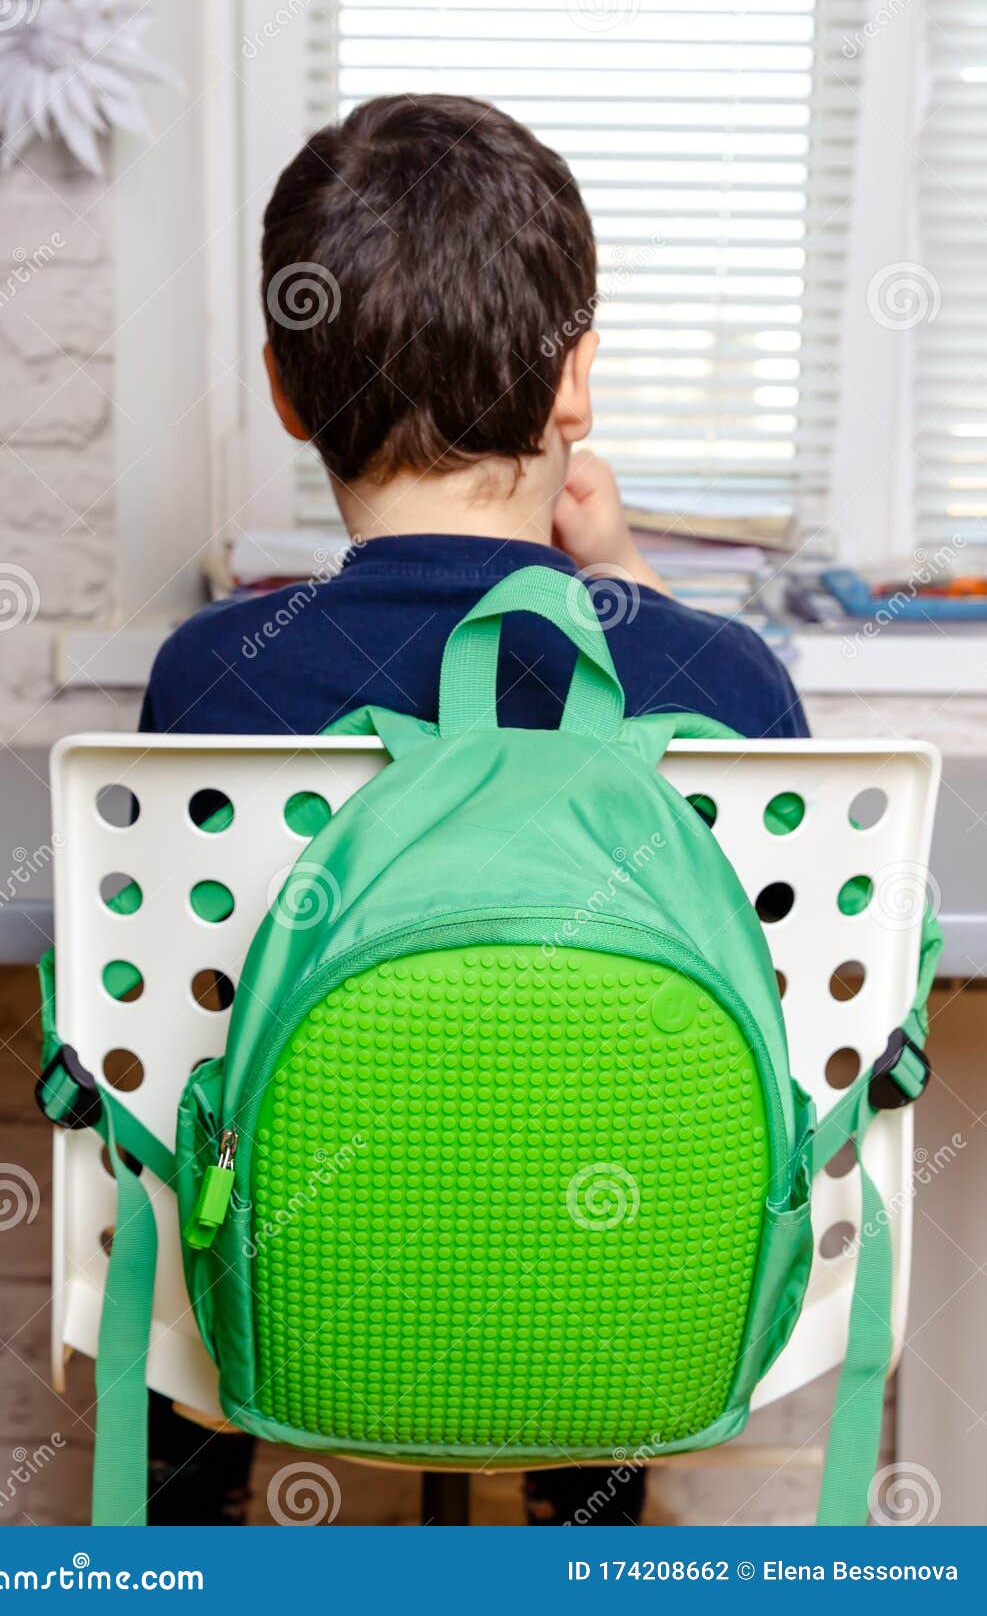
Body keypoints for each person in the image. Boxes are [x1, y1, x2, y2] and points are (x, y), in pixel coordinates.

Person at [141, 93, 808, 1526]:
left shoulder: (212, 675)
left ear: (286, 388)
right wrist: (625, 579)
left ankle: (184, 1538)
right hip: (637, 1269)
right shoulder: (727, 685)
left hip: (307, 1270)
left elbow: (194, 1019)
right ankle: (588, 1517)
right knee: (606, 1104)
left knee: (171, 1169)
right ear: (576, 389)